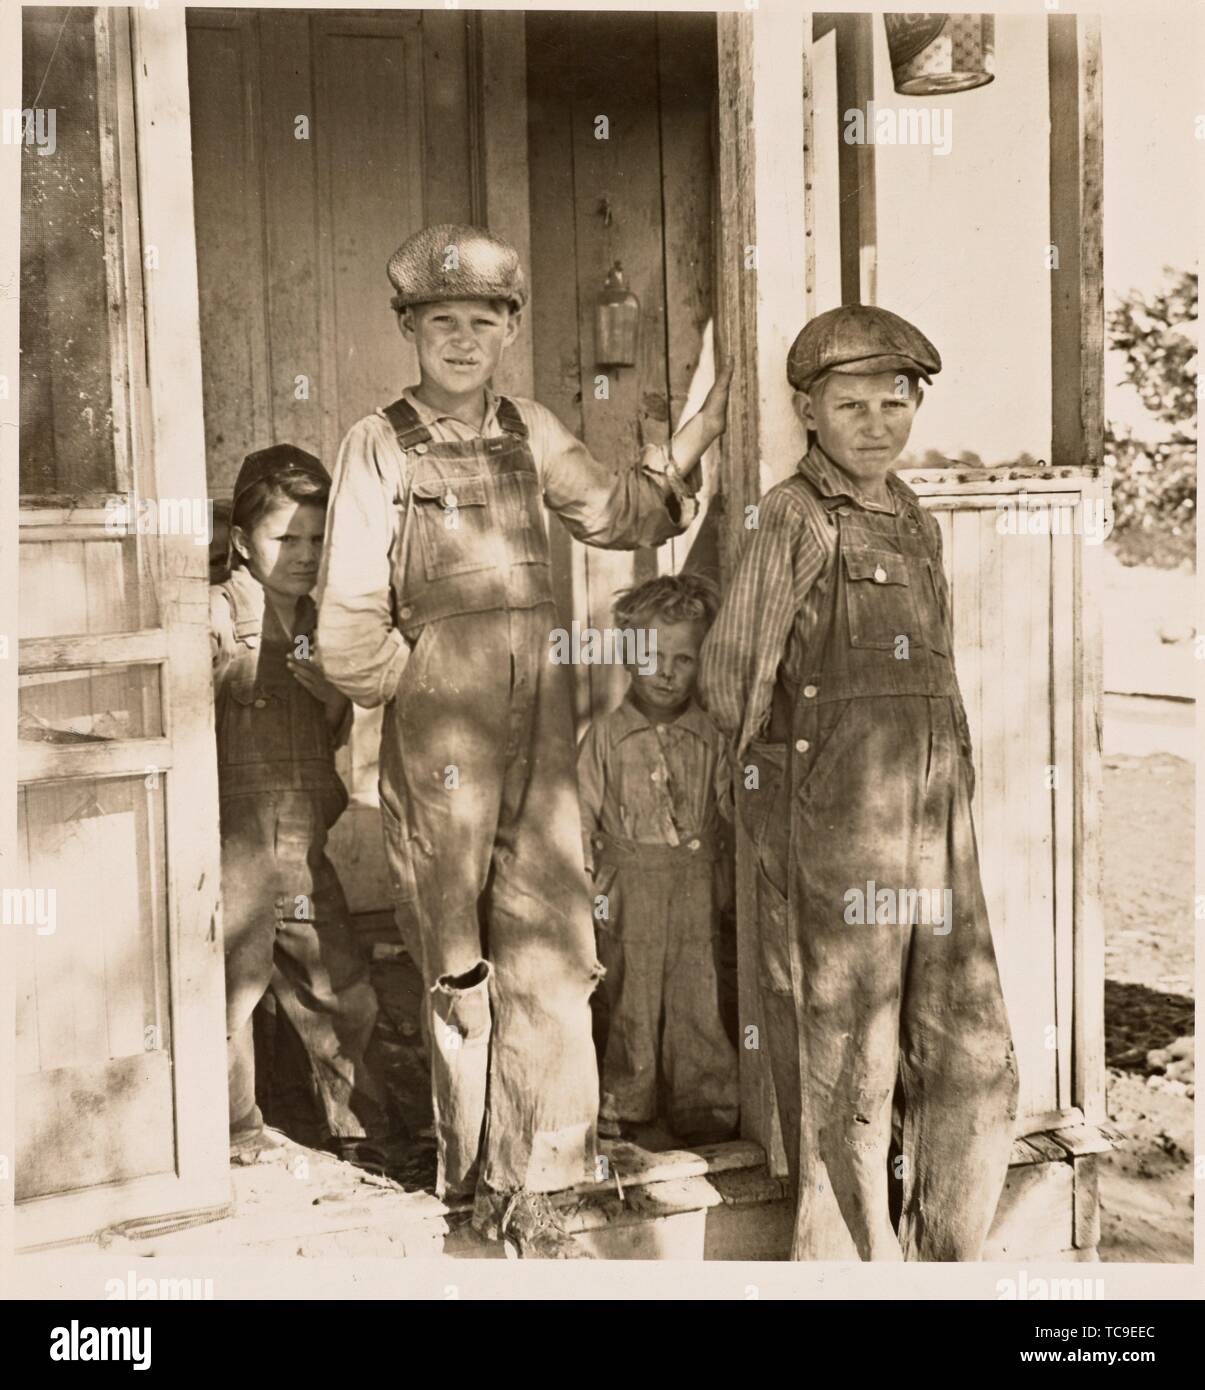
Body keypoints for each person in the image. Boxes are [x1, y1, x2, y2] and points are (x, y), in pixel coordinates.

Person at [315, 224, 732, 1254]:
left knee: (548, 926)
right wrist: (403, 684)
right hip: (440, 718)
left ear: (507, 330)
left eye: (483, 322)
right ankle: (471, 1178)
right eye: (440, 321)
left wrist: (690, 444)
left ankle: (544, 1167)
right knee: (454, 943)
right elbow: (348, 611)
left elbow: (619, 512)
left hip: (539, 709)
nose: (462, 339)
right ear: (409, 328)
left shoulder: (531, 428)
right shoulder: (378, 443)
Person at [699, 304, 1018, 1261]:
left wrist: (953, 778)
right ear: (806, 410)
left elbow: (941, 667)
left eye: (895, 402)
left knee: (969, 1039)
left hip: (933, 815)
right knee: (848, 1049)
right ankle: (844, 1267)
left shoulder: (911, 516)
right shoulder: (791, 516)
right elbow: (730, 676)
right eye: (851, 405)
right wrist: (773, 804)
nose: (877, 422)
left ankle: (944, 1257)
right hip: (833, 818)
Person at [211, 445, 392, 1169]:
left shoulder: (329, 623)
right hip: (233, 847)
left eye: (318, 540)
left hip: (301, 842)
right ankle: (228, 1130)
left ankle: (368, 1137)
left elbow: (343, 734)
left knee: (340, 986)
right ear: (242, 541)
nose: (303, 554)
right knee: (229, 986)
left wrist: (332, 694)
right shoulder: (217, 615)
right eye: (285, 537)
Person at [577, 574, 740, 1147]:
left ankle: (706, 1104)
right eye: (651, 656)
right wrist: (590, 891)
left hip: (695, 881)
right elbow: (578, 818)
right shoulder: (603, 738)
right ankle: (626, 1102)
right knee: (631, 996)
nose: (666, 672)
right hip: (629, 887)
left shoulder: (714, 738)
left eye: (684, 658)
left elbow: (732, 811)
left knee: (698, 988)